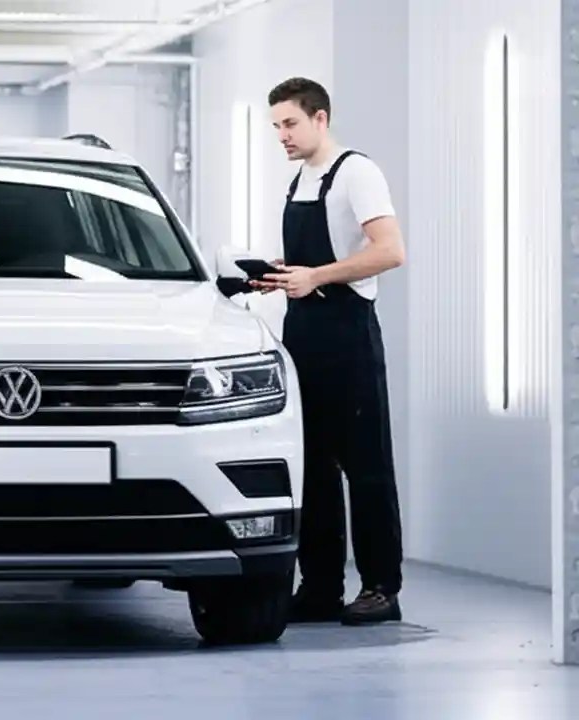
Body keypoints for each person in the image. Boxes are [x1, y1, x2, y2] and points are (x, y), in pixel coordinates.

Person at [251, 77, 406, 625]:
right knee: (312, 467)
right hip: (304, 335)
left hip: (349, 334)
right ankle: (319, 587)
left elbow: (390, 250)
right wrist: (273, 277)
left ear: (320, 118)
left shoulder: (357, 172)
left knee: (365, 467)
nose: (281, 135)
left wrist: (317, 274)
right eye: (275, 126)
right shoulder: (298, 181)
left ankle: (382, 588)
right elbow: (311, 266)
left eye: (289, 123)